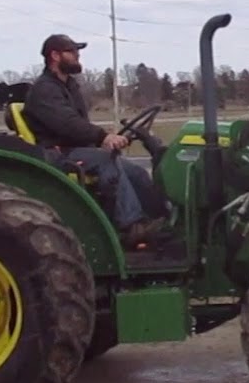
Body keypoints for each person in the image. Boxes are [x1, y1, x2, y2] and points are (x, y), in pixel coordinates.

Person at [23, 33, 167, 243]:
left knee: (135, 171)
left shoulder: (69, 86)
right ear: (55, 56)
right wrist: (102, 138)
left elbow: (79, 123)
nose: (77, 55)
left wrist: (102, 139)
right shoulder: (44, 90)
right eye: (71, 51)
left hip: (76, 148)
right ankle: (131, 225)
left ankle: (161, 220)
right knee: (106, 160)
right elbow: (67, 123)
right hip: (57, 153)